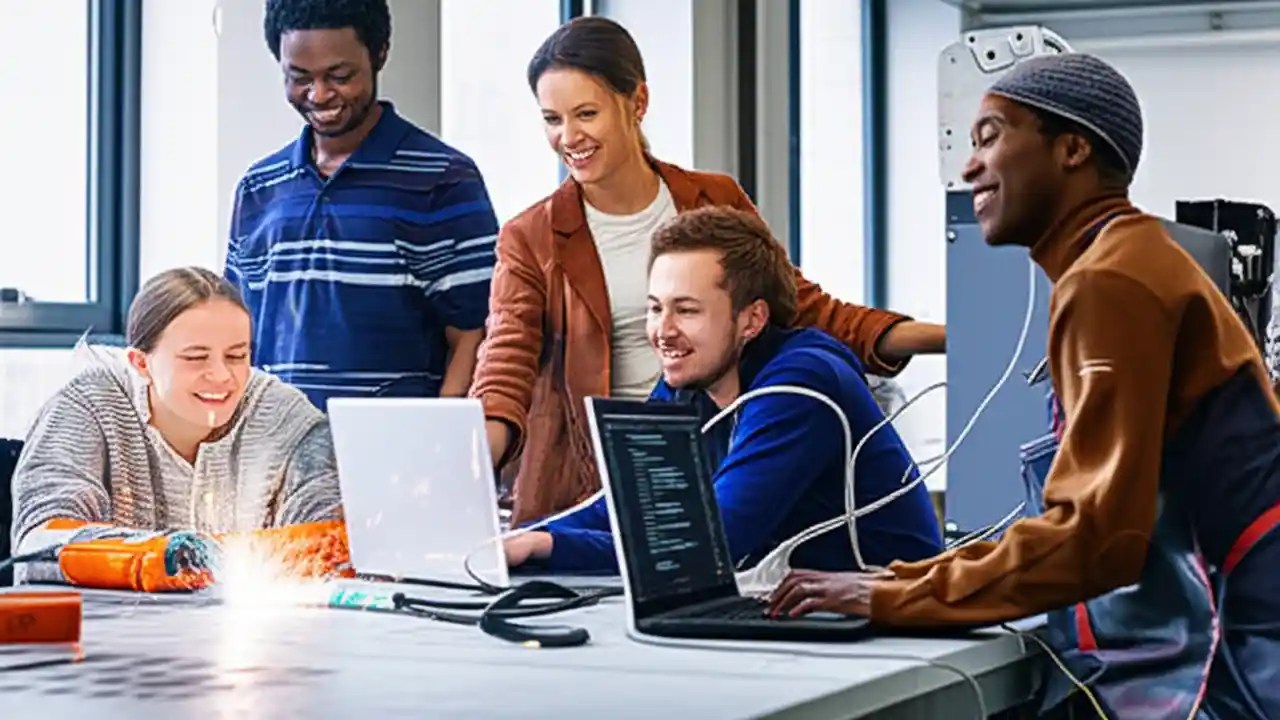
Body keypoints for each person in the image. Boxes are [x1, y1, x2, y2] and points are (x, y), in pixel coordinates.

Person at [769, 54, 1280, 718]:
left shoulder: (1111, 280)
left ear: (1072, 150)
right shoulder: (1129, 261)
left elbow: (1097, 540)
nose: (969, 167)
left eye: (992, 136)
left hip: (1223, 677)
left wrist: (892, 598)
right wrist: (901, 578)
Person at [472, 16, 946, 527]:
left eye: (586, 113)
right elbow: (505, 364)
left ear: (638, 102)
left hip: (711, 461)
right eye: (552, 119)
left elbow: (801, 309)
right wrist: (474, 464)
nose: (569, 136)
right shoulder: (531, 236)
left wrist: (949, 340)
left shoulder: (711, 201)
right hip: (590, 486)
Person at [503, 207, 943, 574]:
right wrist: (521, 540)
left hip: (895, 626)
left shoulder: (803, 381)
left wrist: (549, 548)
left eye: (687, 310)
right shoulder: (688, 380)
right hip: (803, 612)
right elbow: (626, 505)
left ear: (751, 320)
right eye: (655, 309)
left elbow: (711, 542)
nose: (663, 332)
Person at [225, 0, 499, 409]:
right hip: (273, 452)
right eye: (299, 77)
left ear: (380, 52)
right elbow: (234, 329)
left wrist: (441, 439)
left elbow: (475, 333)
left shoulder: (444, 178)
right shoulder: (259, 186)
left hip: (397, 454)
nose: (319, 95)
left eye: (340, 76)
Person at [10, 268, 345, 589]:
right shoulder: (87, 405)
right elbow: (40, 543)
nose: (221, 376)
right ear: (141, 363)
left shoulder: (288, 418)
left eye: (236, 355)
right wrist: (163, 559)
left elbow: (338, 544)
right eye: (196, 358)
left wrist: (208, 558)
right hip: (100, 632)